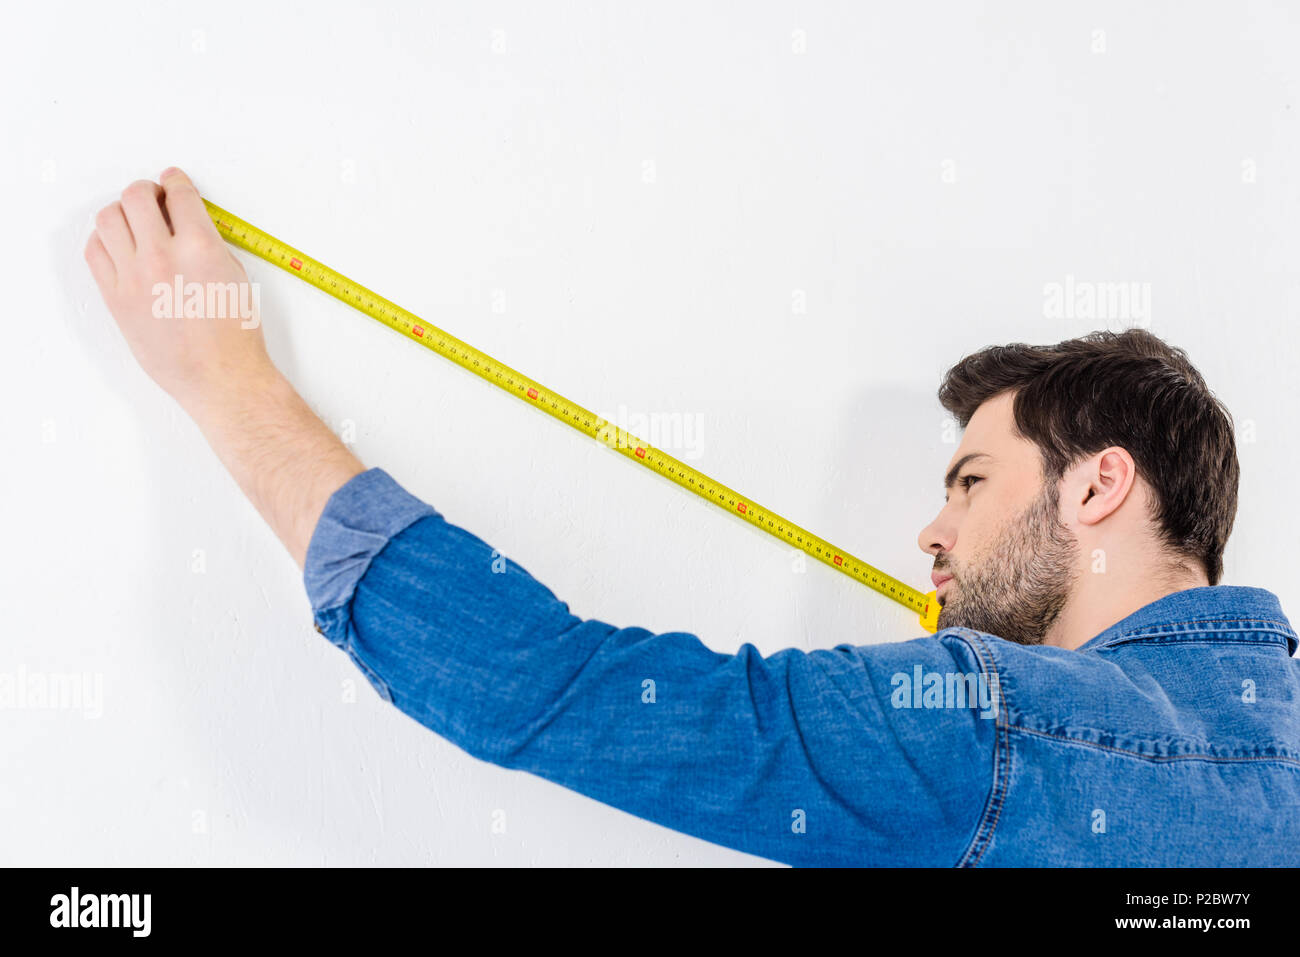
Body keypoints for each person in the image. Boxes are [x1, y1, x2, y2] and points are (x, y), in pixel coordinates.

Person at [84, 168, 1300, 866]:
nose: (928, 540)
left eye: (970, 483)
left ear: (1098, 486)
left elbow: (548, 690)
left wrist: (225, 384)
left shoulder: (990, 720)